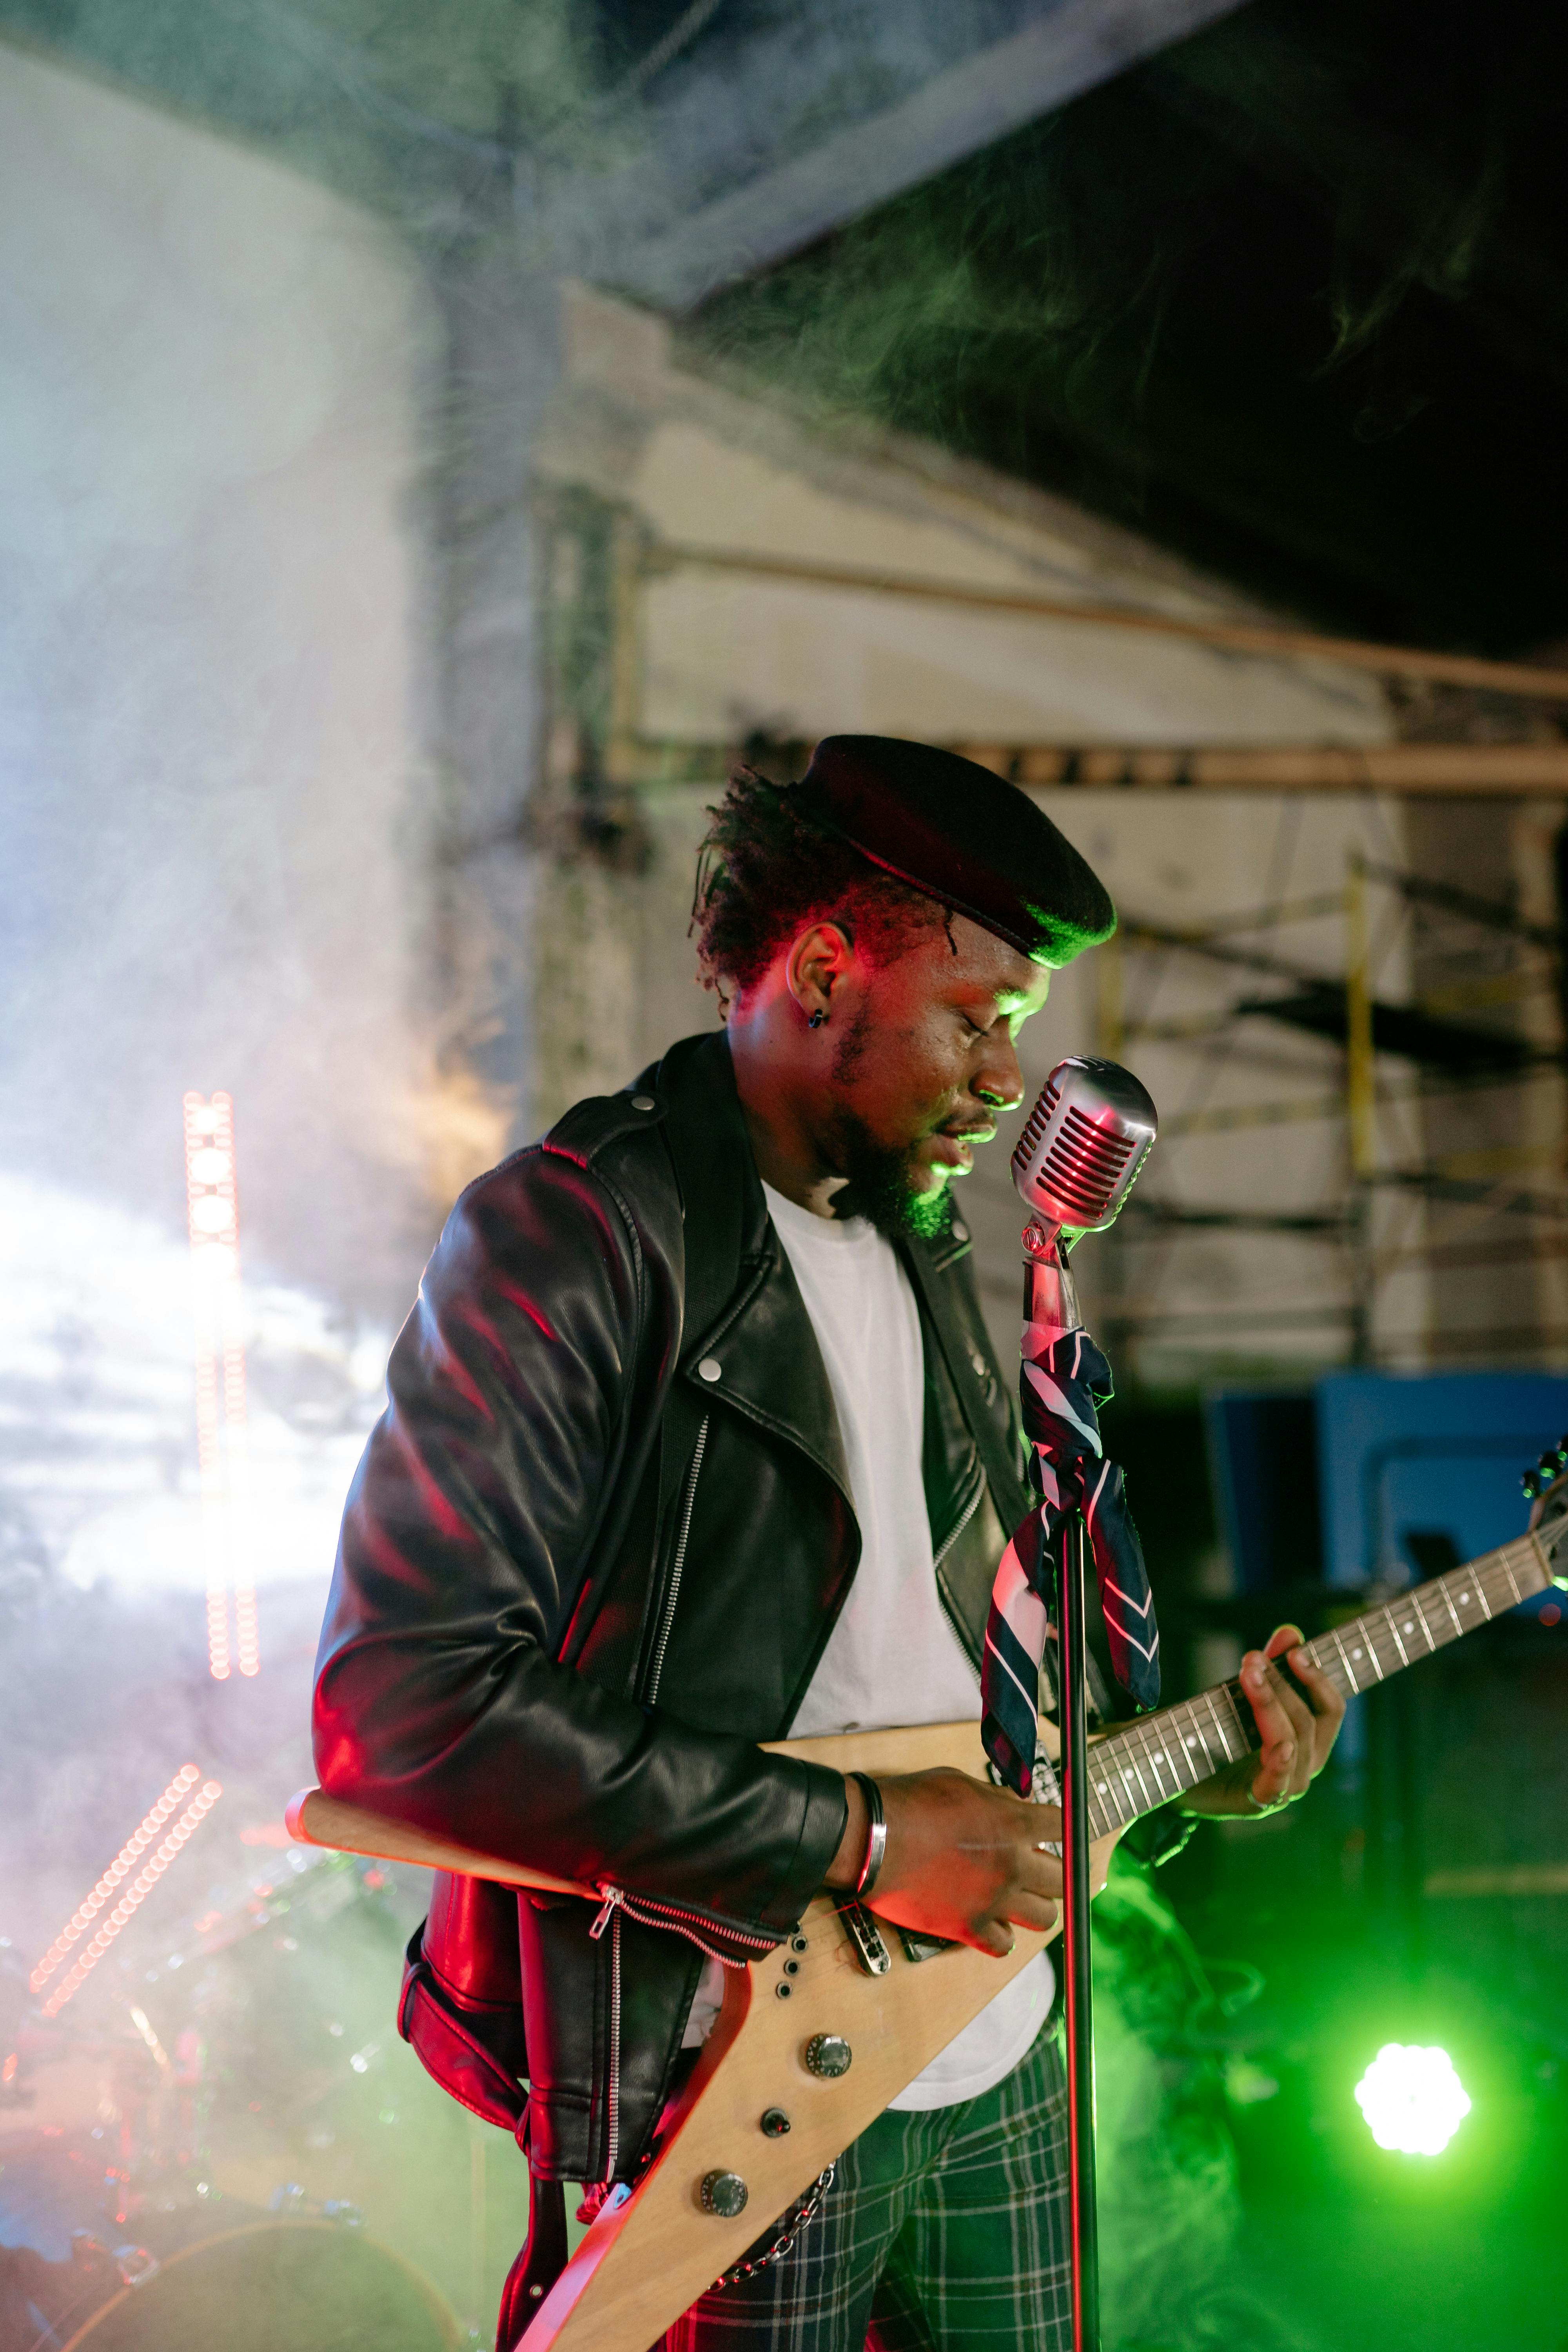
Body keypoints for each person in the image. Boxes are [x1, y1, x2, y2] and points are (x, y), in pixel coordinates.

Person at [312, 736, 1345, 2350]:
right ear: (816, 969)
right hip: (726, 2070)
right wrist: (853, 1839)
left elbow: (951, 1664)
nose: (1010, 1079)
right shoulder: (578, 1234)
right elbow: (403, 1709)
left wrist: (1172, 1771)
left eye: (1019, 1033)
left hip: (995, 2041)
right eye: (978, 1021)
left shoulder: (925, 1237)